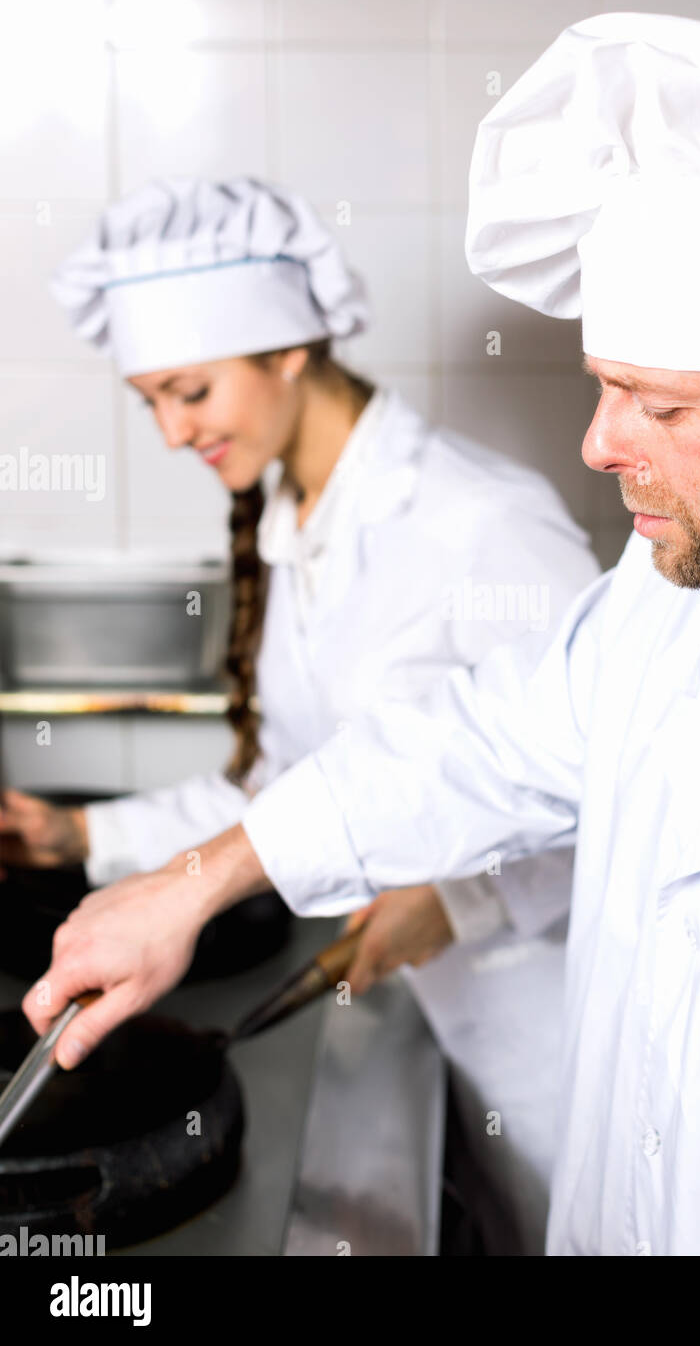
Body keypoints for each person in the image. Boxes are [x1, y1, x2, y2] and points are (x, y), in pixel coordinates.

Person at [16, 14, 700, 1255]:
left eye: (659, 403)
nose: (597, 443)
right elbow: (473, 744)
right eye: (603, 385)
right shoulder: (668, 596)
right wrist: (188, 881)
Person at [0, 175, 600, 1255]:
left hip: (554, 1040)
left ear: (287, 349)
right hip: (437, 1028)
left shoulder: (478, 521)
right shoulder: (291, 516)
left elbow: (617, 780)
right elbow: (284, 783)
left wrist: (453, 905)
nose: (172, 432)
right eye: (149, 402)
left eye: (188, 391)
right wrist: (77, 835)